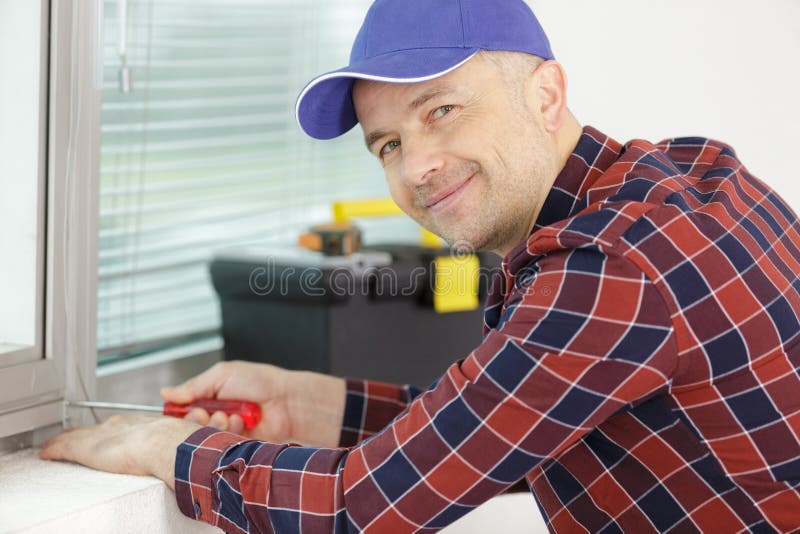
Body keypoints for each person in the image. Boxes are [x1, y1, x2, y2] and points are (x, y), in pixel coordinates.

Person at [41, 0, 800, 531]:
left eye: (441, 110)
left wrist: (163, 449)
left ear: (546, 92)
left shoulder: (608, 269)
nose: (420, 167)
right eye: (388, 145)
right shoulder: (689, 175)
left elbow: (357, 512)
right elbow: (521, 413)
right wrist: (320, 406)